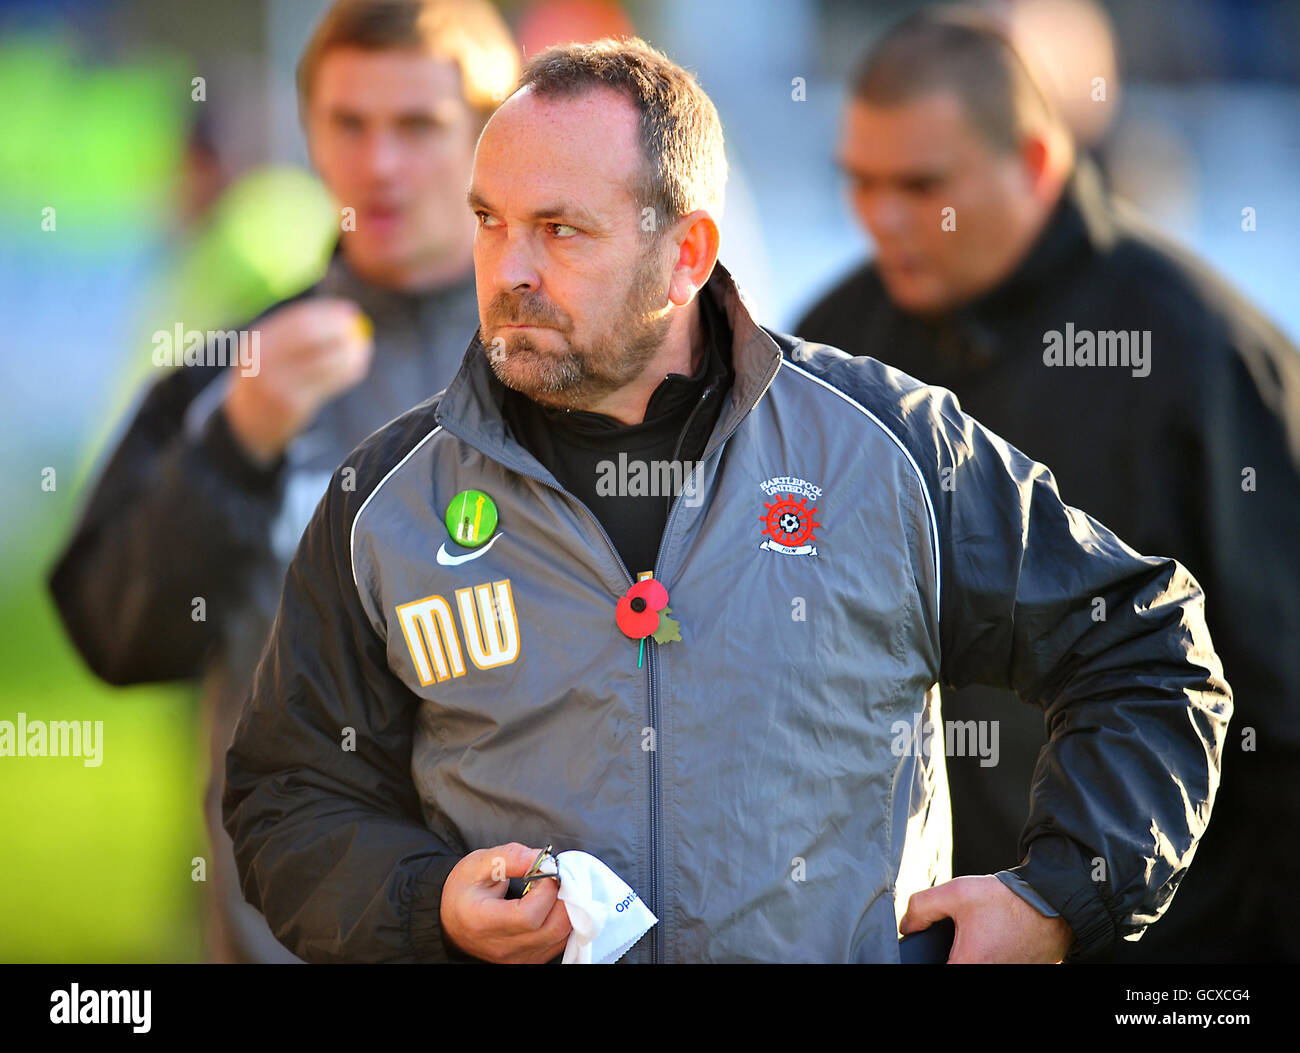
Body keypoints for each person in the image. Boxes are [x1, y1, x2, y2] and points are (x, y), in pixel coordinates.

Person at [222, 36, 1230, 964]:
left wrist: (1056, 897)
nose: (511, 270)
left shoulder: (886, 450)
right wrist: (428, 899)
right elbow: (288, 796)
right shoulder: (387, 501)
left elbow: (1144, 648)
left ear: (688, 255)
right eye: (490, 222)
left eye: (561, 230)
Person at [794, 7, 1300, 963]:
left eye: (920, 184)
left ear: (1032, 161)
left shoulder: (1201, 356)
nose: (883, 216)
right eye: (859, 182)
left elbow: (1286, 710)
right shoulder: (836, 346)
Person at [47, 0, 519, 963]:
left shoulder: (567, 368)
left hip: (525, 928)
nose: (379, 164)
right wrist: (234, 449)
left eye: (418, 126)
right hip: (291, 938)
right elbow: (117, 635)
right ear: (309, 136)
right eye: (349, 124)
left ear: (485, 140)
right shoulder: (230, 372)